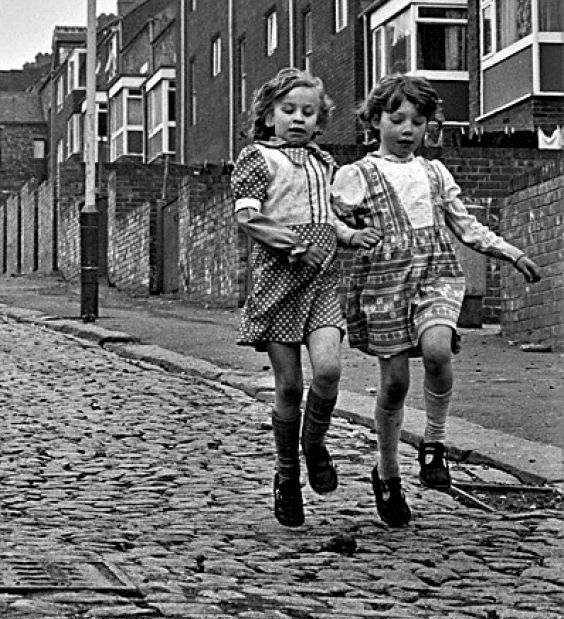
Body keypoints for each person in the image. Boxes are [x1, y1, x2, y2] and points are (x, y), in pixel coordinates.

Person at [332, 74, 542, 528]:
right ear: (375, 121)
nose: (408, 129)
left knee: (437, 350)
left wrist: (510, 251)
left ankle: (434, 442)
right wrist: (350, 234)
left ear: (429, 126)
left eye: (418, 120)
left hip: (435, 274)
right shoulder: (357, 175)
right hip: (385, 282)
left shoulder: (434, 172)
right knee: (393, 386)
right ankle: (386, 473)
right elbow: (328, 221)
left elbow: (466, 227)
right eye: (397, 119)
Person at [232, 67, 379, 528]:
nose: (298, 119)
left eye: (308, 112)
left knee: (330, 370)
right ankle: (286, 474)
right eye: (288, 110)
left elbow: (324, 218)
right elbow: (248, 217)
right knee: (290, 387)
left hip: (321, 284)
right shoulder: (257, 159)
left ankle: (313, 444)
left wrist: (350, 236)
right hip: (279, 281)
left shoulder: (323, 164)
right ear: (269, 115)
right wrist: (296, 247)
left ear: (320, 120)